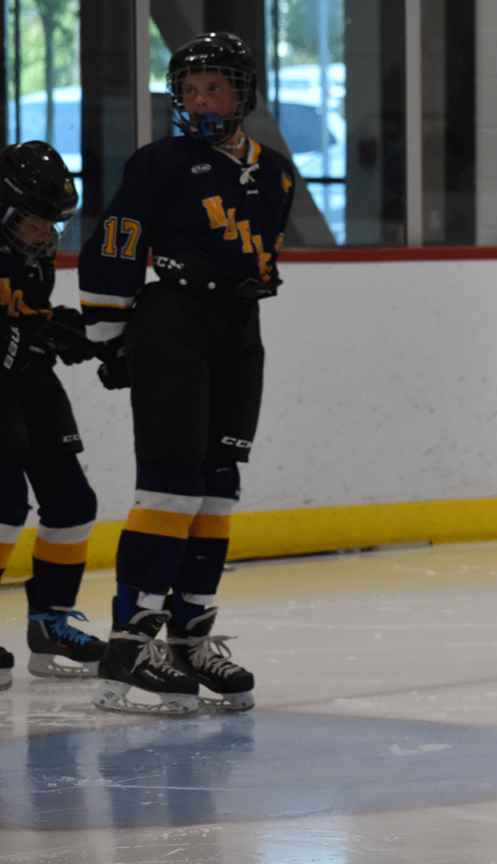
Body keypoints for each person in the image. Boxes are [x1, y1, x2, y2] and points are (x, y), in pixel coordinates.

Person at [78, 32, 295, 715]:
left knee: (219, 486)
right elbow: (114, 246)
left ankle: (188, 636)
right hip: (172, 324)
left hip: (239, 331)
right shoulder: (159, 164)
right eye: (191, 88)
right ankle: (128, 642)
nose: (202, 100)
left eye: (216, 87)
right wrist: (111, 338)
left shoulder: (279, 172)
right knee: (170, 485)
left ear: (243, 94)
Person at [0, 141, 105, 689]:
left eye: (52, 224)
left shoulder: (29, 257)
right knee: (4, 505)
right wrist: (22, 344)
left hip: (28, 382)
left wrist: (63, 331)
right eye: (34, 222)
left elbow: (26, 317)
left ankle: (51, 626)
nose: (45, 235)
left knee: (73, 504)